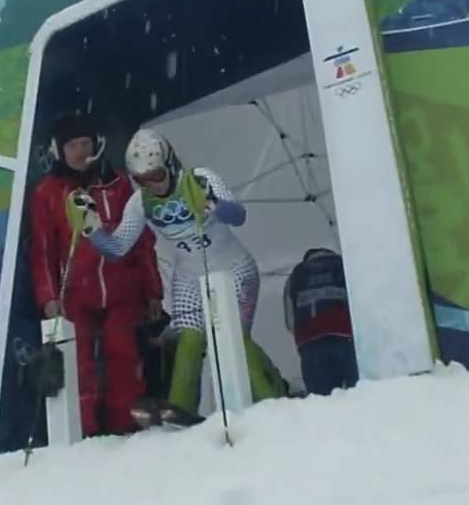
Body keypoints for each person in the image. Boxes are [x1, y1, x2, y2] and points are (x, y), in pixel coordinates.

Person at [79, 128, 284, 424]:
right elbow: (118, 248)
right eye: (142, 180)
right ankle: (179, 408)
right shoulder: (140, 202)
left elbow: (238, 216)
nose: (152, 185)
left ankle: (272, 395)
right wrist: (91, 228)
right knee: (189, 340)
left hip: (233, 270)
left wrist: (215, 202)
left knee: (232, 338)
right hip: (188, 277)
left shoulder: (199, 177)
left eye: (157, 175)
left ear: (171, 163)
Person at [28, 113, 163, 436]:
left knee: (124, 358)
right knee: (80, 365)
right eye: (72, 145)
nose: (79, 152)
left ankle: (127, 427)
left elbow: (141, 241)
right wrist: (48, 298)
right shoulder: (48, 193)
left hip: (122, 291)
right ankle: (85, 431)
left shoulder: (117, 184)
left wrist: (153, 290)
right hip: (75, 296)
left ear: (97, 145)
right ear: (59, 150)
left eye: (85, 144)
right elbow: (42, 250)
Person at [284, 248, 359, 396]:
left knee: (322, 403)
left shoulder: (295, 276)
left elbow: (290, 321)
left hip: (311, 345)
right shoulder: (345, 266)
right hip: (346, 340)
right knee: (359, 396)